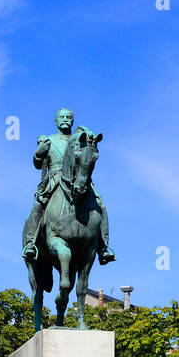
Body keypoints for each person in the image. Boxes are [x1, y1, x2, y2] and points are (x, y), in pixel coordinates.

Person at [22, 107, 116, 266]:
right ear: (56, 121)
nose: (65, 119)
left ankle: (103, 247)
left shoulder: (80, 139)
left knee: (101, 205)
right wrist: (39, 152)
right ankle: (30, 242)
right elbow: (37, 164)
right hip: (54, 178)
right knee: (39, 204)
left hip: (79, 179)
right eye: (61, 117)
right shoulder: (48, 140)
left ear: (72, 120)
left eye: (68, 117)